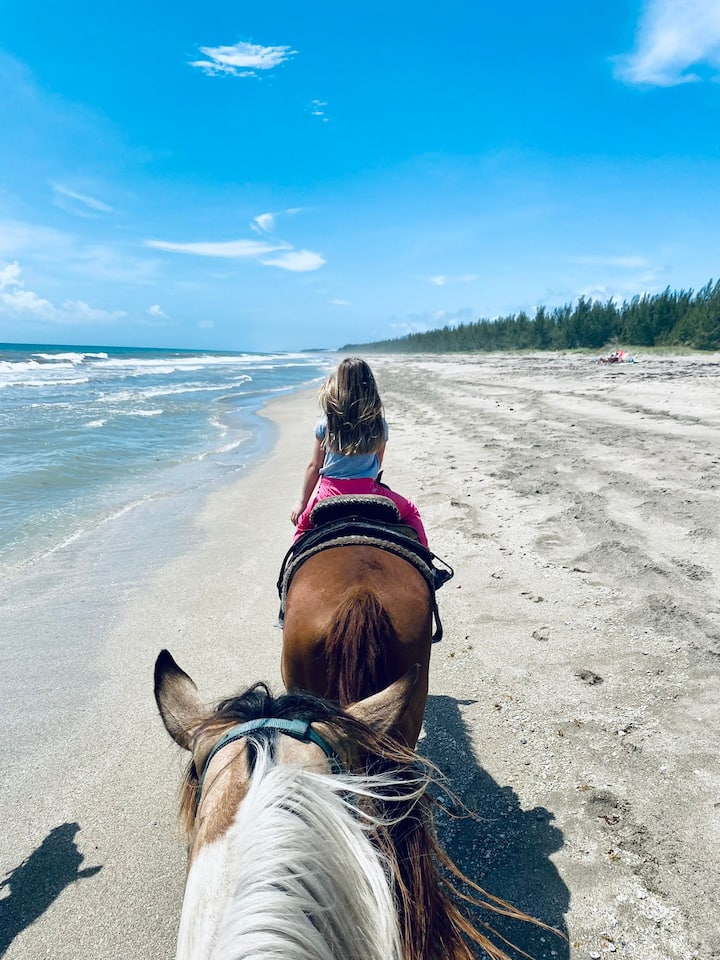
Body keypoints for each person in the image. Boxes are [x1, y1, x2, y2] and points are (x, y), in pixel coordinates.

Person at [290, 357, 428, 546]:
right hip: (369, 490)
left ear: (338, 385)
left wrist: (302, 504)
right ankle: (428, 564)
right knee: (411, 511)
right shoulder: (379, 425)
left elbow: (315, 466)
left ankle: (290, 573)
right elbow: (378, 463)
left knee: (302, 529)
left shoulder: (326, 423)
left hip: (328, 493)